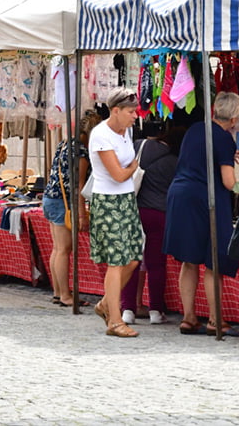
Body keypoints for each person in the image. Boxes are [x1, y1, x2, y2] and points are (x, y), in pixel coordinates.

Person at [164, 91, 239, 337]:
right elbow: (229, 182)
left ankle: (188, 318)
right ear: (234, 119)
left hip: (180, 194)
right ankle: (215, 320)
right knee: (214, 260)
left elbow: (200, 157)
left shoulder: (196, 129)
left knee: (189, 260)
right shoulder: (223, 139)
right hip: (205, 198)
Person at [87, 88, 144, 338]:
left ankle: (104, 304)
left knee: (132, 258)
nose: (135, 116)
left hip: (126, 199)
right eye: (131, 112)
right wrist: (133, 167)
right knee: (116, 261)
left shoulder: (126, 131)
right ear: (116, 111)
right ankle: (115, 319)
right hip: (108, 202)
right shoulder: (100, 135)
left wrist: (129, 169)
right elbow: (118, 174)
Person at [120, 124, 187, 326]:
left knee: (131, 260)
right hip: (160, 213)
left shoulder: (140, 145)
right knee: (156, 263)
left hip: (134, 209)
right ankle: (156, 311)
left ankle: (127, 310)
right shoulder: (176, 161)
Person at [41, 110, 100, 308]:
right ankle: (65, 295)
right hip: (63, 203)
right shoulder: (81, 152)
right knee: (64, 249)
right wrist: (82, 213)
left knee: (57, 249)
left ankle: (58, 292)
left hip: (51, 197)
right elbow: (79, 185)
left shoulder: (64, 144)